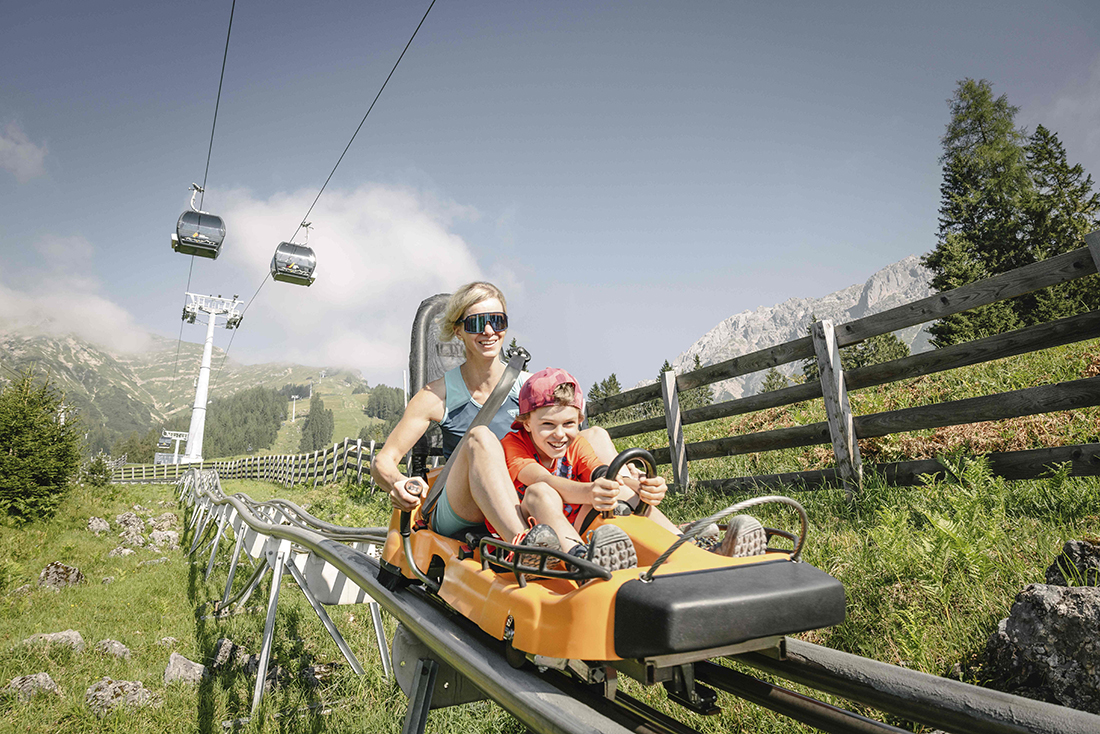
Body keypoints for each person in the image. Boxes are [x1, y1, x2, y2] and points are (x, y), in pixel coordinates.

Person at [373, 282, 534, 543]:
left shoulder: (530, 387)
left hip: (520, 494)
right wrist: (397, 482)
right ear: (458, 331)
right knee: (480, 439)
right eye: (475, 323)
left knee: (594, 435)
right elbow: (383, 462)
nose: (489, 331)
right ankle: (527, 549)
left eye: (497, 321)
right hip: (461, 506)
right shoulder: (435, 396)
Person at [501, 367, 681, 569]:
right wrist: (589, 492)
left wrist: (638, 486)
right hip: (538, 523)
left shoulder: (577, 444)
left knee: (619, 489)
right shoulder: (514, 445)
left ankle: (684, 542)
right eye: (548, 424)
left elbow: (601, 472)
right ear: (526, 424)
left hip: (576, 522)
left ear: (579, 421)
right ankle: (578, 560)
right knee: (540, 492)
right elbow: (544, 479)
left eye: (568, 423)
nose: (559, 434)